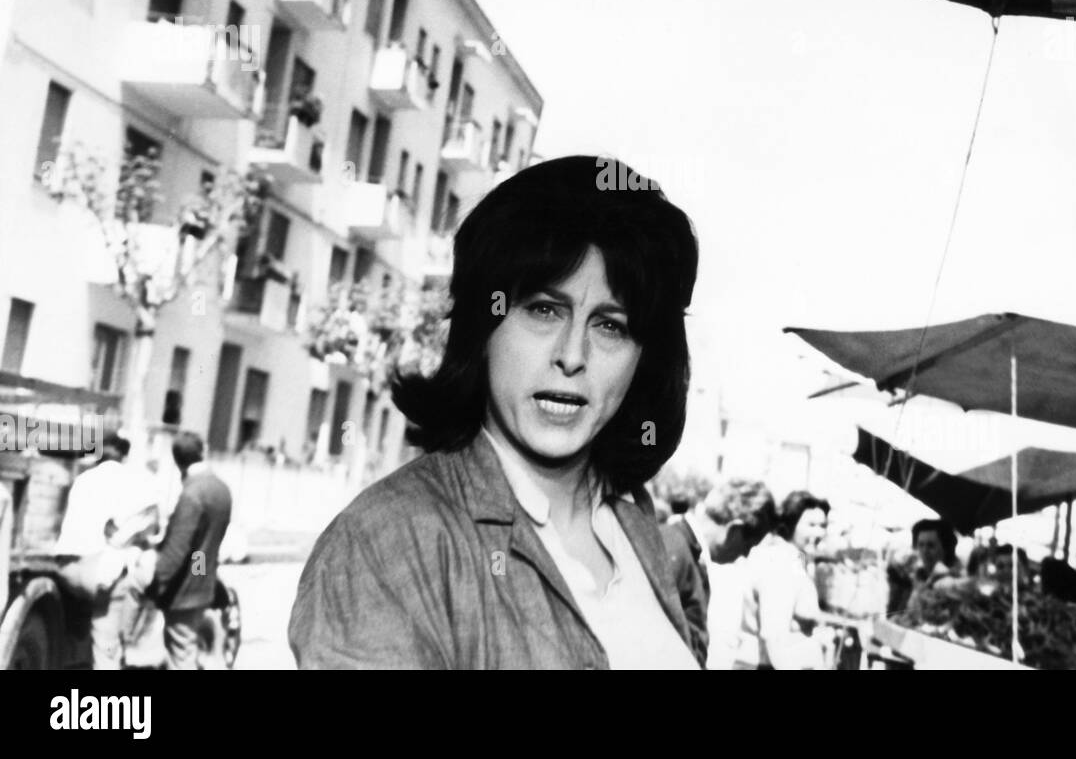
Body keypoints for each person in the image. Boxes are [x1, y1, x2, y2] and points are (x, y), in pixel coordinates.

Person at [289, 155, 703, 669]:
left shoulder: (632, 519)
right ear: (483, 328)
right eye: (542, 309)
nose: (572, 356)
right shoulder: (385, 543)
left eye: (610, 325)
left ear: (644, 357)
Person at [54, 432, 160, 670]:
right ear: (125, 455)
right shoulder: (132, 481)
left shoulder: (83, 478)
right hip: (100, 572)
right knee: (106, 642)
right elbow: (148, 526)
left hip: (67, 568)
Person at [661, 478, 776, 664]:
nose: (745, 554)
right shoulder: (675, 549)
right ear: (734, 529)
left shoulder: (685, 549)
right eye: (748, 545)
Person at [145, 431, 232, 670]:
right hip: (202, 584)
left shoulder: (193, 494)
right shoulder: (220, 488)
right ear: (203, 451)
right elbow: (201, 549)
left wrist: (156, 584)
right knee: (187, 652)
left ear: (177, 460)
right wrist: (198, 574)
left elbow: (178, 549)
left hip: (184, 594)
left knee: (182, 657)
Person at [735, 490, 834, 669]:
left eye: (823, 525)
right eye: (811, 524)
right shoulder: (781, 562)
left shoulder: (796, 559)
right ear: (791, 523)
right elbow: (774, 639)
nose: (818, 532)